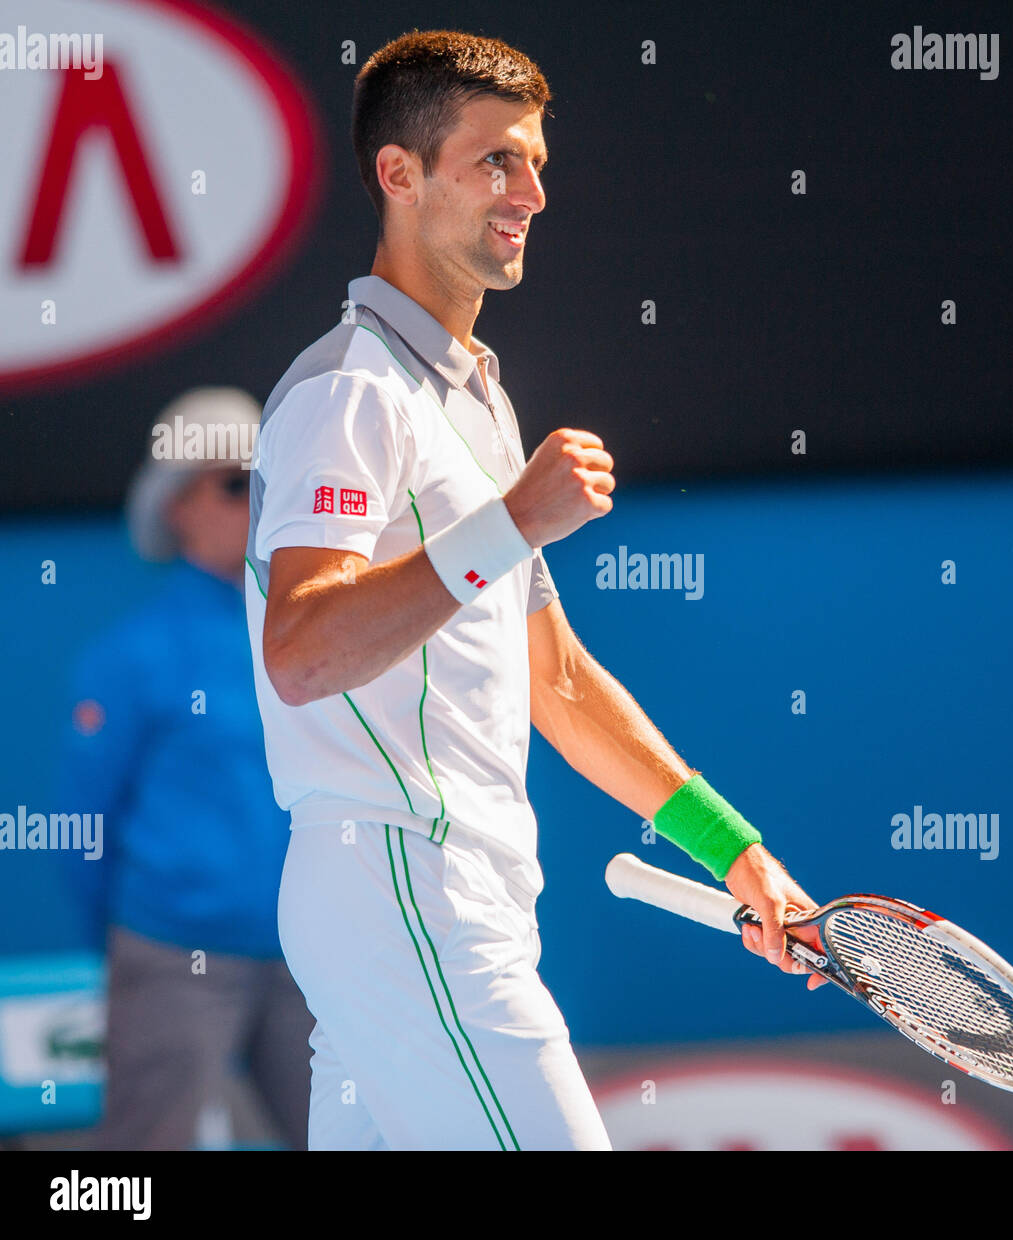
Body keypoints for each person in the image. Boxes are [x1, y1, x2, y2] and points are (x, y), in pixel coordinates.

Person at [245, 30, 822, 1152]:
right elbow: (304, 652)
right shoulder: (349, 391)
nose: (533, 192)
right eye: (496, 162)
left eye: (536, 162)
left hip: (439, 906)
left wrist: (736, 853)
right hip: (405, 886)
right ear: (398, 176)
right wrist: (508, 522)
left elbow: (551, 678)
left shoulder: (474, 403)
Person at [61, 388, 313, 1150]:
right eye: (237, 482)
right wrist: (138, 948)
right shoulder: (129, 656)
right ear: (177, 508)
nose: (260, 500)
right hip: (172, 958)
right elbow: (82, 828)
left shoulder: (320, 629)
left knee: (351, 1139)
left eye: (271, 479)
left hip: (312, 953)